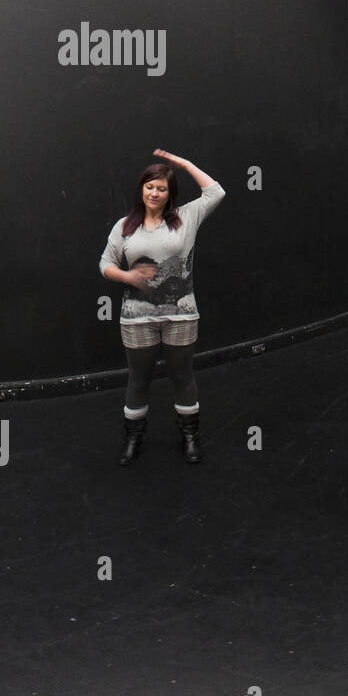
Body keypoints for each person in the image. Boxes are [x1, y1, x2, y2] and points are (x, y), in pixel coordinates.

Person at [101, 148, 223, 466]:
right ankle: (133, 439)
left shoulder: (186, 217)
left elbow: (216, 191)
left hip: (180, 315)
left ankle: (190, 437)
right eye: (150, 186)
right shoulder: (125, 226)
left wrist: (181, 164)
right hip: (136, 317)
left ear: (170, 194)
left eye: (162, 188)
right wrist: (127, 275)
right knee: (138, 379)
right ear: (142, 189)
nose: (155, 193)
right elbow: (105, 263)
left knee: (182, 376)